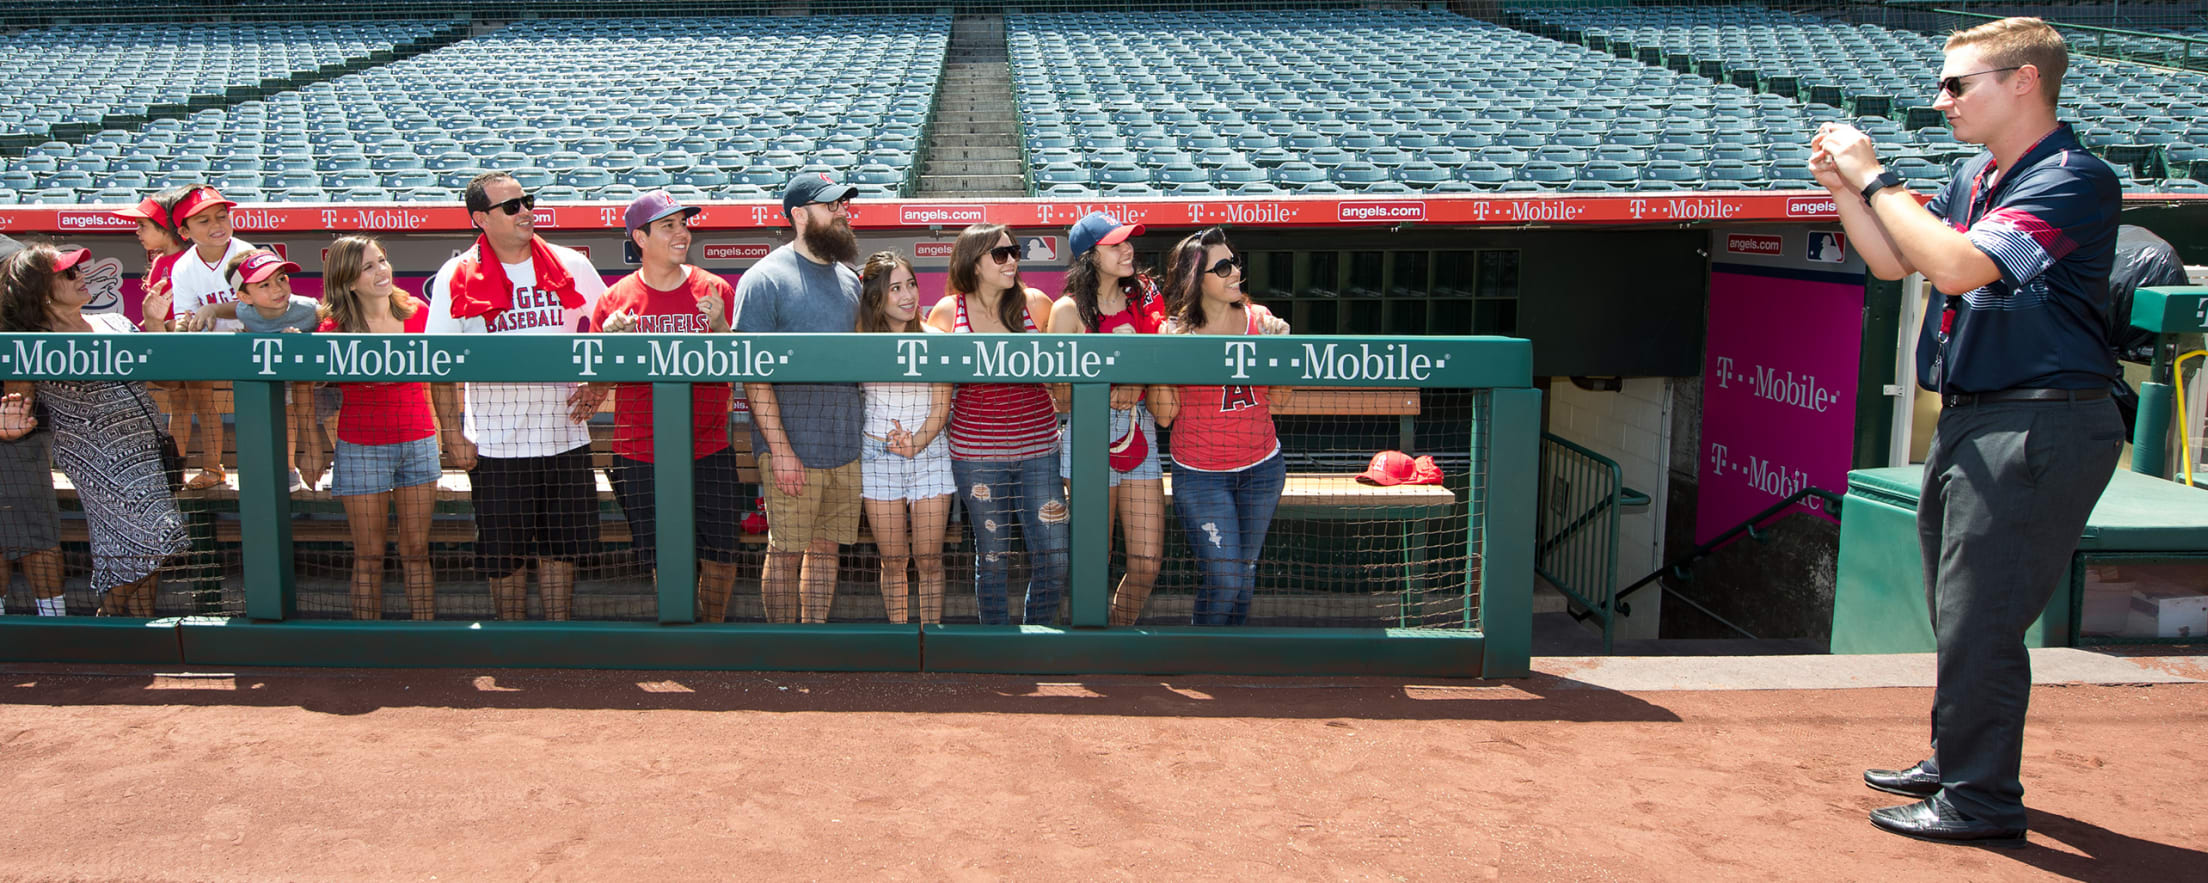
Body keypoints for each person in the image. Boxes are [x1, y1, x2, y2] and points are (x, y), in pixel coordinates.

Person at [1811, 17, 2124, 845]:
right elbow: (1893, 260)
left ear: (2024, 81)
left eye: (1958, 84)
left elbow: (1954, 268)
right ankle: (1955, 758)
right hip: (1976, 413)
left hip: (2043, 417)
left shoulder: (2073, 177)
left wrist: (1877, 178)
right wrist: (1848, 190)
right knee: (1959, 610)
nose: (1940, 98)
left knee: (1983, 617)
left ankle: (1981, 800)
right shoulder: (1978, 174)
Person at [427, 172, 608, 621]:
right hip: (495, 443)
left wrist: (601, 384)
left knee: (561, 550)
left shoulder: (570, 264)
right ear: (479, 220)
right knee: (503, 555)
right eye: (511, 206)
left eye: (527, 201)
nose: (525, 211)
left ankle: (557, 635)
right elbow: (439, 362)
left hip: (564, 437)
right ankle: (511, 636)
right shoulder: (456, 274)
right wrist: (451, 431)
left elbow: (609, 329)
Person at [0, 244, 189, 616]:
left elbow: (170, 382)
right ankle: (107, 615)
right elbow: (16, 400)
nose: (80, 276)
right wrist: (10, 422)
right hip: (95, 456)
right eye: (68, 274)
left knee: (131, 546)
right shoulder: (33, 341)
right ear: (41, 293)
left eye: (78, 270)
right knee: (158, 536)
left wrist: (153, 324)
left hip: (146, 449)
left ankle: (138, 630)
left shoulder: (115, 322)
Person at [588, 191, 744, 623]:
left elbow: (740, 368)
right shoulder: (615, 299)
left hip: (708, 447)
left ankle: (711, 633)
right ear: (640, 237)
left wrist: (720, 328)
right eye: (668, 226)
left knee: (723, 554)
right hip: (641, 453)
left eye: (683, 223)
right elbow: (597, 383)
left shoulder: (715, 289)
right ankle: (679, 630)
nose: (682, 232)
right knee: (665, 556)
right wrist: (612, 347)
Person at [732, 173, 865, 624]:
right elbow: (753, 378)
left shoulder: (850, 280)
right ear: (800, 215)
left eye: (843, 205)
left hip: (845, 445)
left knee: (826, 549)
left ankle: (816, 636)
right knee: (786, 550)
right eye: (832, 206)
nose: (843, 212)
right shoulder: (764, 278)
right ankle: (783, 644)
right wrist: (781, 450)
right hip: (791, 447)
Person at [923, 224, 1068, 625]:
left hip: (1038, 450)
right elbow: (939, 392)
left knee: (1055, 556)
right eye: (1000, 254)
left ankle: (1036, 631)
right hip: (976, 455)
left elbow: (1062, 378)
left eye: (1015, 252)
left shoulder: (1037, 304)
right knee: (993, 558)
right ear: (973, 262)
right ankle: (997, 643)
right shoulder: (948, 312)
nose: (1012, 261)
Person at [1156, 227, 1292, 626]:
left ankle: (1229, 661)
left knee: (1244, 574)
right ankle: (1205, 656)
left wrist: (1280, 353)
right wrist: (1163, 358)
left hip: (1262, 468)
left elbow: (1279, 401)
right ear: (1196, 277)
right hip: (1201, 475)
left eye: (1235, 263)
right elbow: (1164, 415)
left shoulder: (1260, 320)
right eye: (1223, 266)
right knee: (1226, 577)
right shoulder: (1175, 332)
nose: (1235, 272)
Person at [1048, 212, 1172, 626]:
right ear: (1089, 256)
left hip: (1138, 429)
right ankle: (1088, 641)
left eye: (1127, 241)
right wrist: (1097, 378)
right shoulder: (1067, 310)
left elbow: (1161, 361)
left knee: (1147, 560)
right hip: (1085, 432)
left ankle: (1116, 633)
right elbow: (1058, 397)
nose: (1127, 249)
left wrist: (1132, 381)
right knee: (1091, 558)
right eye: (1115, 244)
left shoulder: (1144, 294)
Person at [319, 235, 440, 621]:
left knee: (416, 551)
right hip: (361, 449)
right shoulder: (332, 330)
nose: (381, 271)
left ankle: (427, 638)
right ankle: (365, 645)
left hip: (419, 444)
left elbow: (445, 380)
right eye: (368, 266)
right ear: (348, 280)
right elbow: (312, 394)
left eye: (382, 261)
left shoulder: (419, 313)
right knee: (369, 555)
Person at [855, 250, 951, 625]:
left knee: (929, 559)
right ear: (877, 296)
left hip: (930, 455)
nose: (908, 295)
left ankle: (932, 639)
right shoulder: (857, 340)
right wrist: (893, 442)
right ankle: (900, 638)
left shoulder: (937, 339)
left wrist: (917, 442)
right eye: (896, 288)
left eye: (910, 284)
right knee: (894, 560)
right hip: (877, 458)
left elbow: (941, 407)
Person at [194, 249, 327, 491]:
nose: (277, 289)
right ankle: (288, 469)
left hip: (316, 383)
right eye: (264, 285)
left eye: (281, 278)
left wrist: (308, 342)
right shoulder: (246, 310)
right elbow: (231, 309)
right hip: (277, 385)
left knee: (331, 406)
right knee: (282, 411)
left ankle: (337, 462)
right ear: (246, 296)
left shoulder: (308, 309)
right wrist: (211, 309)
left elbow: (330, 327)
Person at [165, 185, 254, 490]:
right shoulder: (183, 266)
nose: (217, 225)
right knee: (200, 400)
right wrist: (181, 326)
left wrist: (215, 307)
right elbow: (185, 315)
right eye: (204, 221)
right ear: (184, 231)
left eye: (221, 216)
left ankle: (275, 468)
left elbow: (260, 304)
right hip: (211, 345)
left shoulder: (246, 254)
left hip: (252, 344)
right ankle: (211, 468)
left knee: (260, 405)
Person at [0, 236, 62, 616]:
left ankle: (55, 620)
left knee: (33, 532)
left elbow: (23, 331)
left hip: (15, 429)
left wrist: (15, 408)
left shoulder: (11, 255)